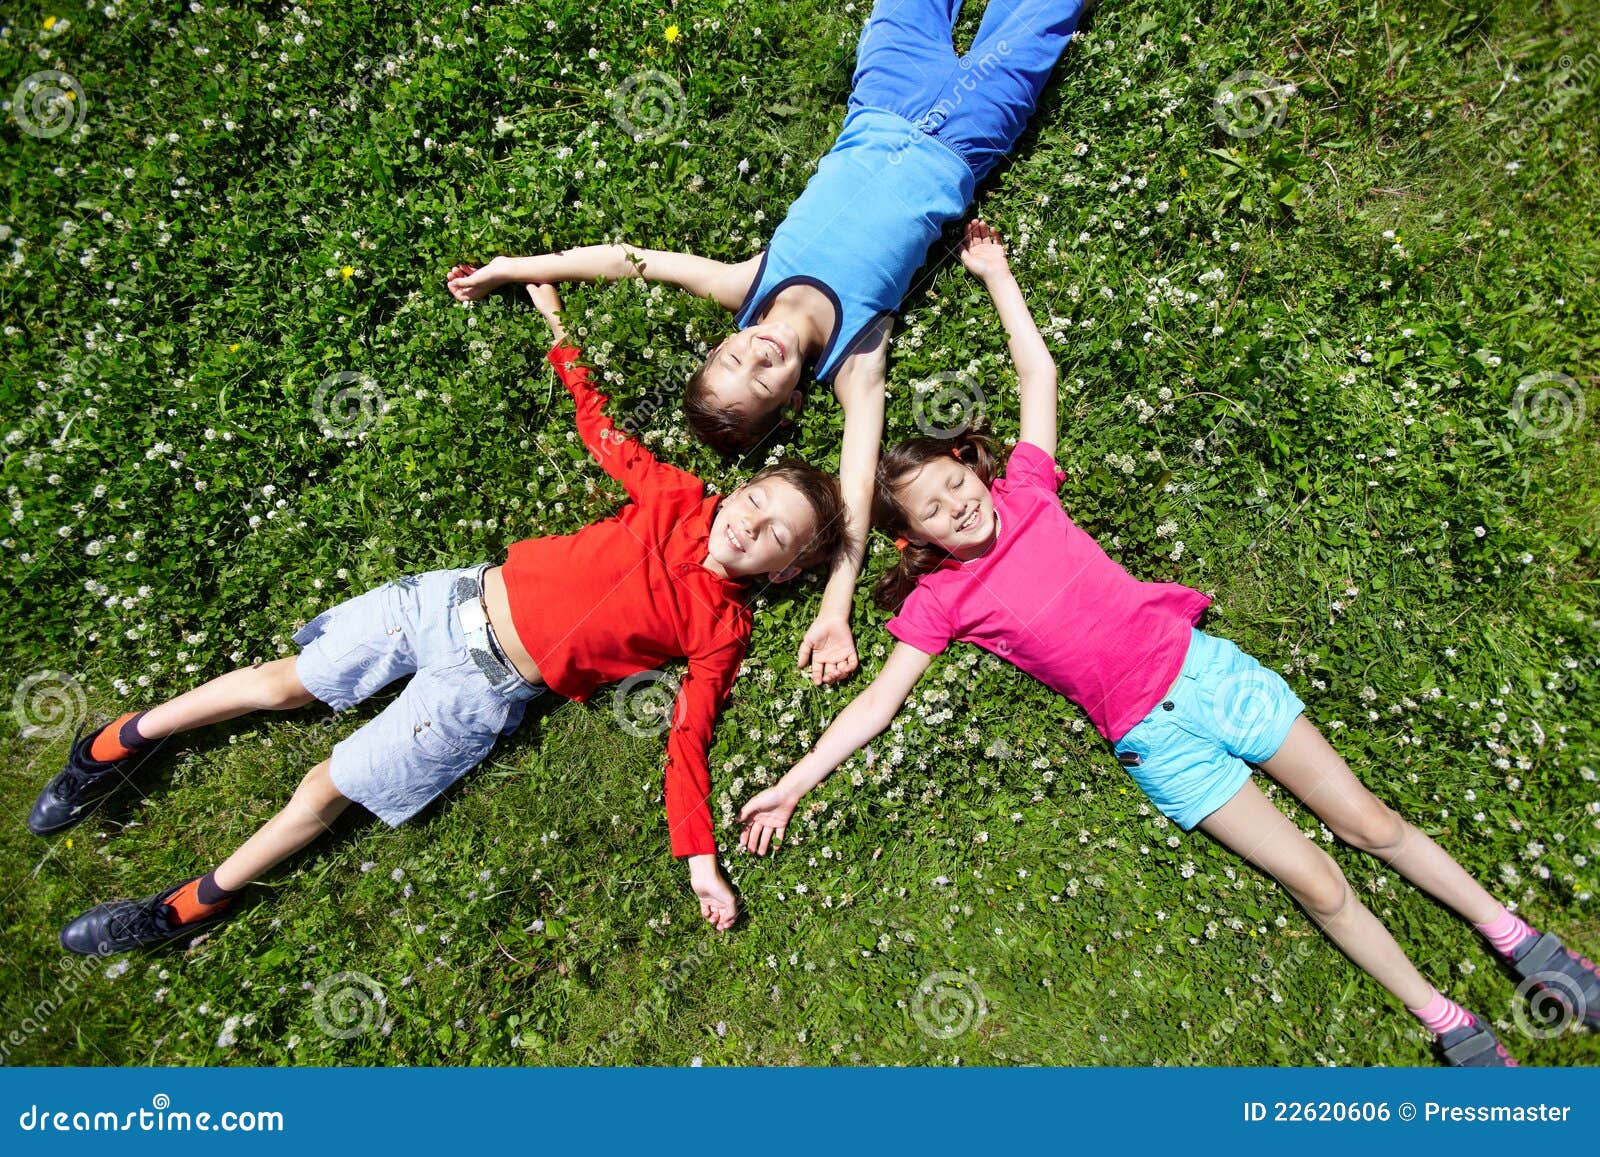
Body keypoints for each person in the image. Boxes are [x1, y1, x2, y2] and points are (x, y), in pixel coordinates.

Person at [735, 222, 1600, 1065]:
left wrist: (997, 276)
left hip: (1208, 674)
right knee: (1317, 882)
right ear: (918, 543)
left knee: (1371, 823)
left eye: (960, 483)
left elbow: (1038, 371)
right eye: (937, 510)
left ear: (978, 468)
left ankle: (1523, 941)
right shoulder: (939, 600)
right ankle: (1449, 1022)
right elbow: (878, 705)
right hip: (1160, 744)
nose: (961, 505)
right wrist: (791, 785)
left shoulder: (1029, 491)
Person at [30, 287, 846, 952]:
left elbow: (687, 742)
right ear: (737, 488)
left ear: (783, 569)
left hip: (478, 695)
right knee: (283, 685)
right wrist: (559, 329)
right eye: (756, 501)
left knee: (326, 788)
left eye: (777, 535)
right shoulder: (675, 495)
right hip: (444, 601)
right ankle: (116, 744)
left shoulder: (721, 632)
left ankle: (185, 908)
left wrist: (700, 861)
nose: (750, 523)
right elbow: (599, 430)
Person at [446, 0, 1089, 688]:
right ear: (786, 405)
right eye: (760, 378)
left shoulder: (746, 284)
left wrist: (514, 269)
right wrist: (835, 608)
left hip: (883, 96)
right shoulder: (856, 357)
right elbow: (850, 501)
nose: (759, 351)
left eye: (733, 355)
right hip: (967, 132)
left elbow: (626, 258)